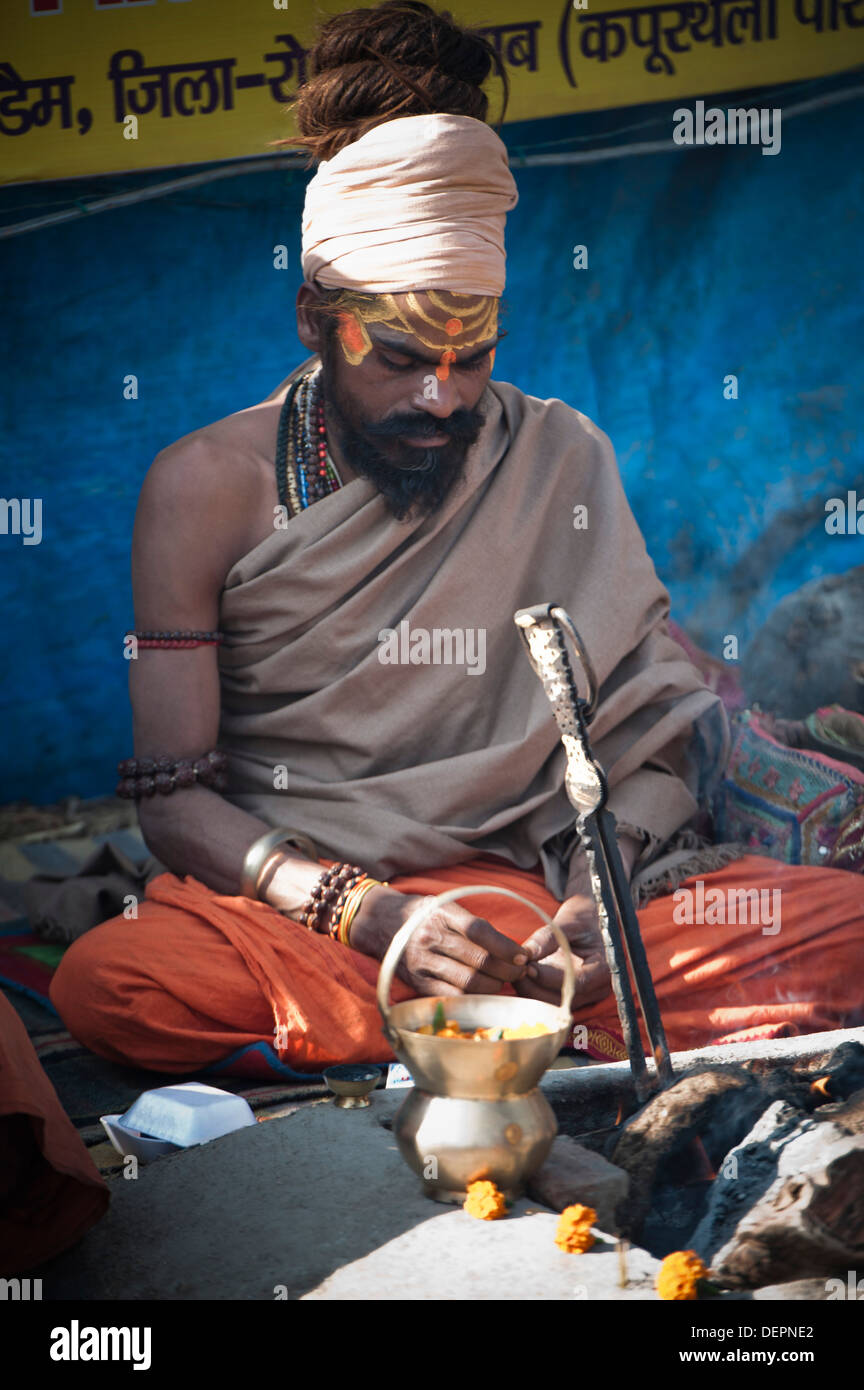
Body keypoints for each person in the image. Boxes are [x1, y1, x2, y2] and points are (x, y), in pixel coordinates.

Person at [51, 1, 864, 1078]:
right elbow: (173, 802)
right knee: (115, 986)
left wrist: (595, 905)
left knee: (840, 928)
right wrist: (377, 919)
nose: (440, 397)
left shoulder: (560, 454)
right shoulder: (205, 487)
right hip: (329, 916)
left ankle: (518, 1022)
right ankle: (512, 1035)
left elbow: (635, 736)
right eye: (397, 358)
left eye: (471, 356)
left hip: (536, 908)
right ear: (314, 318)